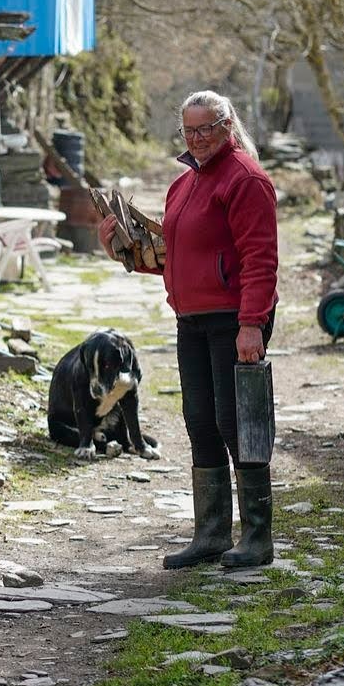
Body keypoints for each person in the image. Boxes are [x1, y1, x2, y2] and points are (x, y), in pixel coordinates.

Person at [100, 90, 279, 569]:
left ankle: (258, 540)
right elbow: (177, 259)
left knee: (237, 421)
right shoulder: (184, 185)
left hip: (234, 318)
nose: (197, 139)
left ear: (227, 126)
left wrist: (251, 325)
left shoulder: (246, 179)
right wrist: (123, 249)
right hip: (192, 318)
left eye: (206, 129)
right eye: (189, 130)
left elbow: (261, 260)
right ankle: (212, 534)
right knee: (199, 420)